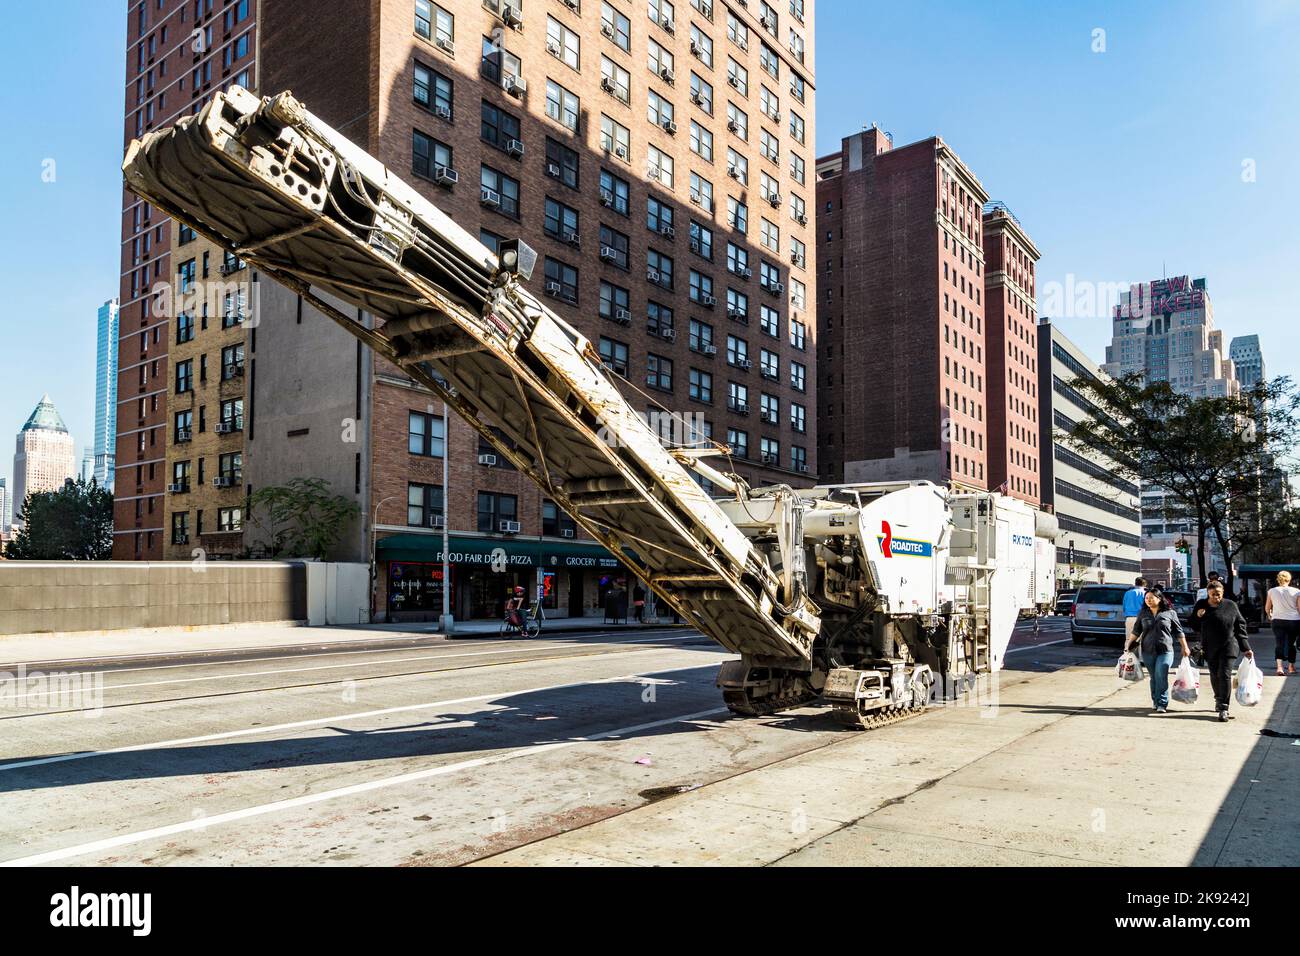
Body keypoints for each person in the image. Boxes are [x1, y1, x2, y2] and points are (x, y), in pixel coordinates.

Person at [1192, 580, 1253, 721]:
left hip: (1229, 645)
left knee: (1224, 674)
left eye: (1218, 594)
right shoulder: (1201, 605)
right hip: (1209, 646)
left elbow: (1240, 626)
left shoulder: (1230, 605)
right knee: (1214, 674)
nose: (1215, 597)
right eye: (1212, 594)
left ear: (1223, 592)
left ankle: (1224, 707)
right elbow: (1193, 625)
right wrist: (1198, 616)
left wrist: (1246, 647)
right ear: (1208, 593)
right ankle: (1218, 699)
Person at [1128, 587, 1191, 715]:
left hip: (1165, 650)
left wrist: (1185, 647)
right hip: (1147, 650)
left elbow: (1179, 631)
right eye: (1146, 598)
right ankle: (1155, 701)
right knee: (1154, 677)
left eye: (1151, 598)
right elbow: (1136, 631)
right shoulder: (1143, 614)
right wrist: (1128, 646)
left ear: (1159, 598)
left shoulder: (1170, 613)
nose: (1148, 600)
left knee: (1161, 675)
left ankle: (1162, 703)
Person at [1264, 570, 1299, 676]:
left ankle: (1279, 667)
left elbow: (1267, 607)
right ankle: (1291, 666)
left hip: (1278, 620)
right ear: (1289, 579)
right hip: (1294, 620)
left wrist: (1270, 615)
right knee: (1291, 644)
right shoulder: (1297, 591)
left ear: (1278, 579)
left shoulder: (1272, 591)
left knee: (1279, 643)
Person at [1122, 577, 1148, 652]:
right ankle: (1141, 659)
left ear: (1135, 583)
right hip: (1142, 618)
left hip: (1129, 618)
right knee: (1141, 639)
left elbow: (1124, 606)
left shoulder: (1127, 593)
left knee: (1128, 638)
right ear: (1145, 584)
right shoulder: (1145, 593)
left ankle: (1127, 656)